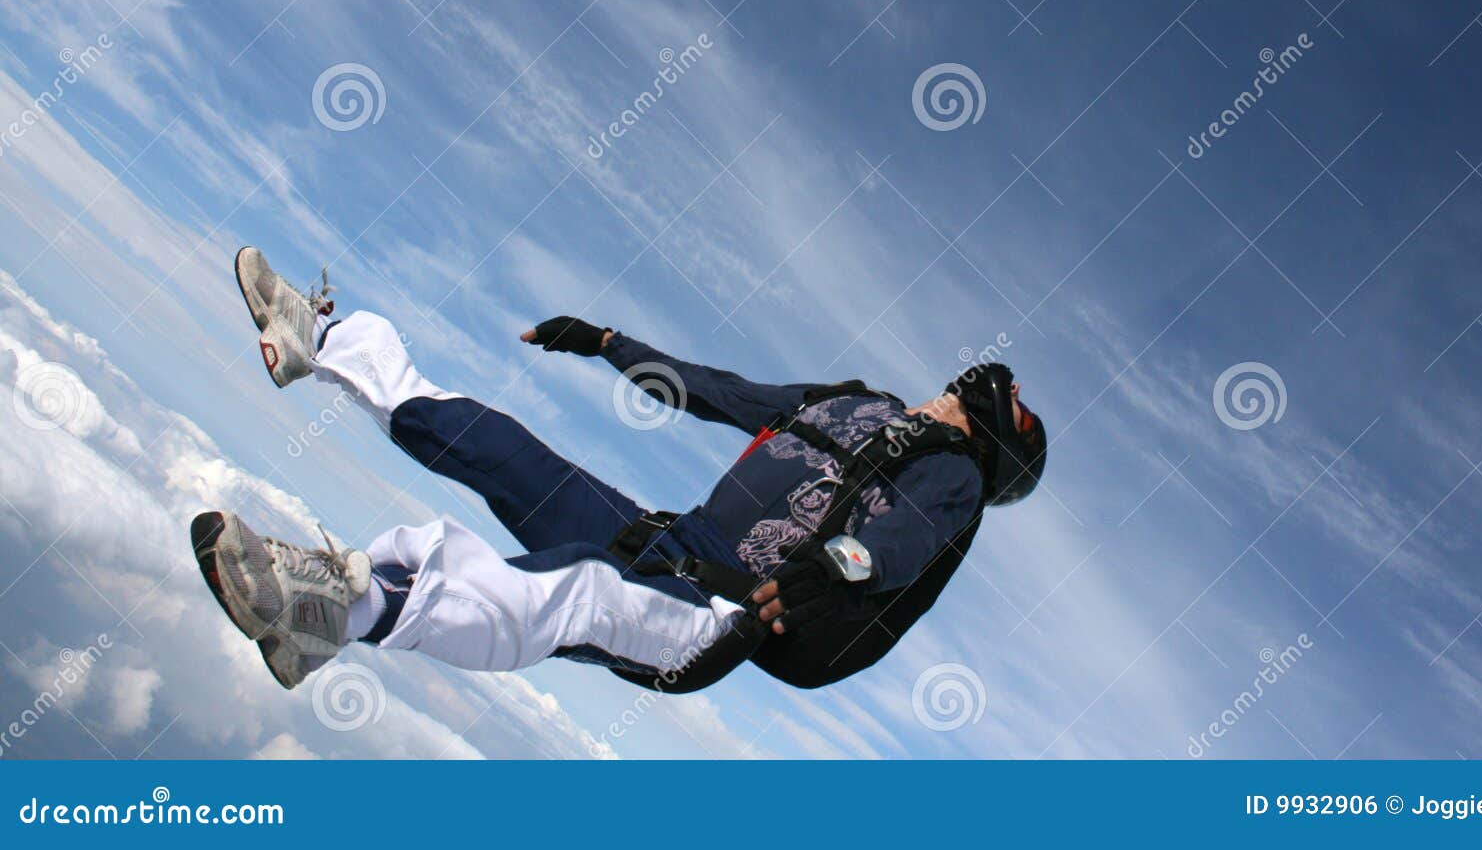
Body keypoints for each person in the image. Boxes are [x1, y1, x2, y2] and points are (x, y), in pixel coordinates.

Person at [192, 247, 1047, 693]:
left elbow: (899, 547)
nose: (948, 401)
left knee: (578, 594)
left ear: (990, 443)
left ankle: (338, 609)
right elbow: (719, 392)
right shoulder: (858, 403)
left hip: (713, 612)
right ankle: (327, 343)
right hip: (662, 535)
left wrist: (837, 572)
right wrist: (606, 343)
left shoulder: (954, 475)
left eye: (970, 410)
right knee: (502, 450)